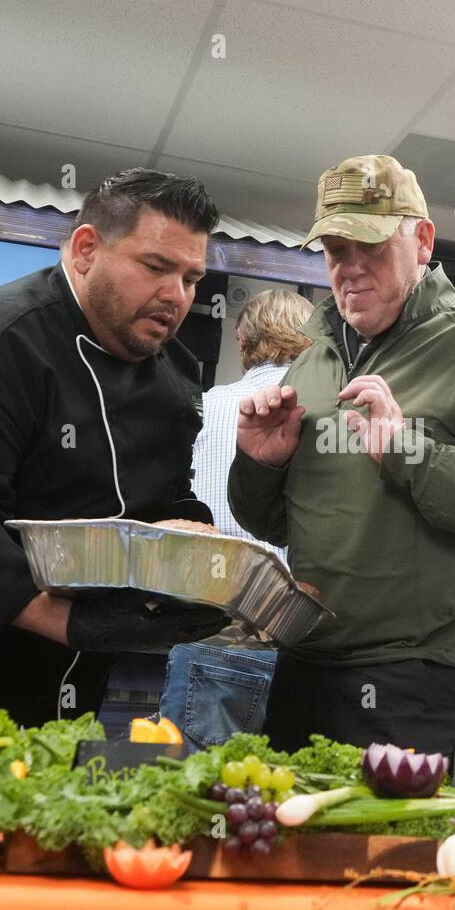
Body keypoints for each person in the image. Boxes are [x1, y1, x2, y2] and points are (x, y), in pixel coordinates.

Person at [228, 154, 455, 755]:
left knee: (410, 854)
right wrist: (262, 466)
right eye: (335, 250)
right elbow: (277, 525)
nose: (349, 268)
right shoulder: (313, 359)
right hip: (306, 676)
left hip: (426, 685)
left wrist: (412, 455)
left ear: (422, 241)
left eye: (369, 245)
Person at [0, 170, 229, 726]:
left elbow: (164, 497)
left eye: (192, 278)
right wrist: (70, 622)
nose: (177, 295)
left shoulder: (175, 375)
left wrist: (200, 567)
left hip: (72, 689)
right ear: (85, 249)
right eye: (155, 267)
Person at [159, 288, 313, 749]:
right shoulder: (331, 414)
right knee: (287, 803)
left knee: (198, 798)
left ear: (243, 337)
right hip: (310, 638)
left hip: (216, 628)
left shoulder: (204, 406)